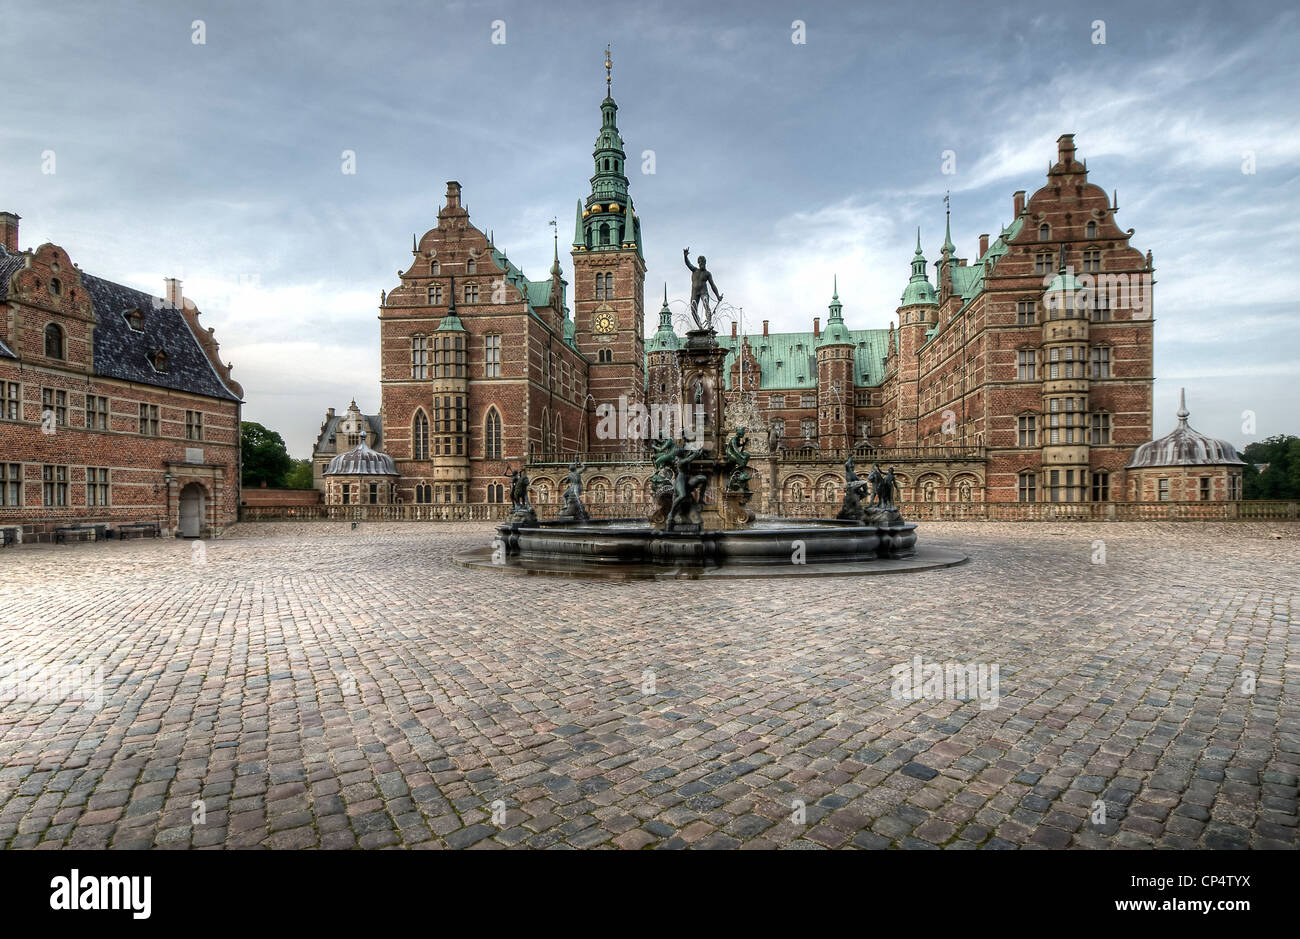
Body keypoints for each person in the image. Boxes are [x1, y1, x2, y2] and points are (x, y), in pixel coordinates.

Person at [683, 247, 723, 330]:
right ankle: (700, 326)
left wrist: (718, 296)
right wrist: (685, 256)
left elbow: (713, 285)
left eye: (703, 262)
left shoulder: (707, 274)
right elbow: (688, 264)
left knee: (706, 305)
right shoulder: (694, 270)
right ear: (698, 263)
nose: (702, 264)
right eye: (700, 262)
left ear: (705, 263)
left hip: (703, 292)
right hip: (694, 293)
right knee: (693, 310)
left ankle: (709, 324)